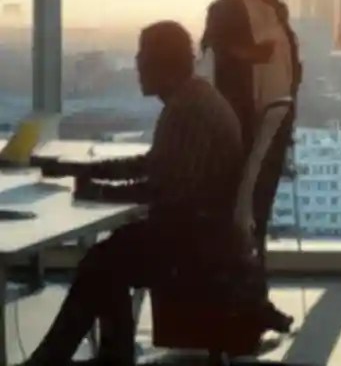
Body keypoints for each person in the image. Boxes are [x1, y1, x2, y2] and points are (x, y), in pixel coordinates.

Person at [24, 22, 246, 365]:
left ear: (161, 64)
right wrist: (87, 171)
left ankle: (65, 358)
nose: (137, 66)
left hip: (192, 241)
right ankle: (103, 355)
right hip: (205, 233)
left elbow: (164, 188)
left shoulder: (186, 110)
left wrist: (100, 193)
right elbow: (157, 166)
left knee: (103, 262)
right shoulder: (193, 97)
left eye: (142, 58)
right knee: (107, 258)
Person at [201, 0, 299, 333]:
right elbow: (215, 50)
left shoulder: (274, 9)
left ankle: (253, 301)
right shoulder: (226, 9)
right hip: (243, 127)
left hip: (272, 126)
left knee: (258, 215)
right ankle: (243, 305)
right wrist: (249, 55)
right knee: (243, 216)